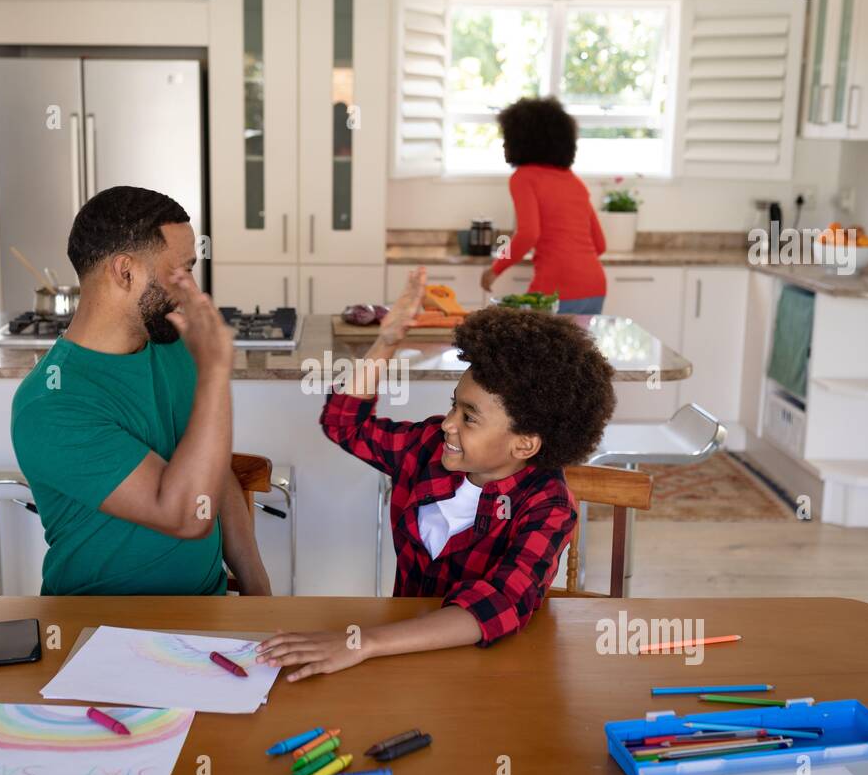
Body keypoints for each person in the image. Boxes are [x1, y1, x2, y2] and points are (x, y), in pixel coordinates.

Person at [255, 267, 616, 680]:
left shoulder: (548, 506)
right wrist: (386, 341)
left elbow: (500, 602)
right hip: (403, 658)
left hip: (487, 672)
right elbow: (345, 424)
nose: (447, 423)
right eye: (453, 405)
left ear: (525, 444)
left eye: (469, 417)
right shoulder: (427, 447)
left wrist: (365, 642)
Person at [11, 186, 271, 596]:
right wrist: (216, 373)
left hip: (206, 612)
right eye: (181, 272)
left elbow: (212, 474)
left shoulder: (175, 347)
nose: (194, 291)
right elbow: (186, 515)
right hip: (97, 627)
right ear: (125, 272)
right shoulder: (51, 404)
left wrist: (259, 595)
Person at [479, 96, 608, 315]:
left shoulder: (523, 178)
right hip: (595, 287)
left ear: (521, 140)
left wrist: (495, 269)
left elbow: (528, 234)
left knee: (533, 348)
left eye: (506, 137)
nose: (503, 143)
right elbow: (600, 244)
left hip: (555, 290)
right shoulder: (573, 181)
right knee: (579, 349)